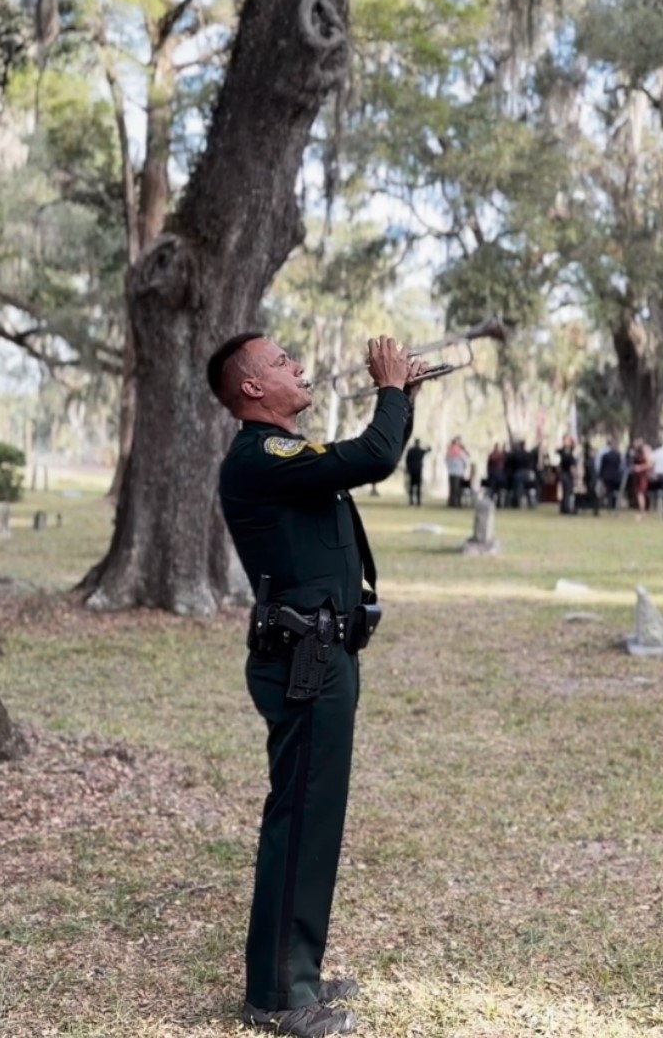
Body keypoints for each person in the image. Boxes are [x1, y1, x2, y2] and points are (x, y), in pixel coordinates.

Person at [208, 331, 424, 1037]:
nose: (296, 368)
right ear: (250, 389)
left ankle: (295, 973)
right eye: (279, 363)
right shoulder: (260, 453)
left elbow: (363, 459)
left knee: (315, 823)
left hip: (325, 654)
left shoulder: (289, 457)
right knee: (299, 823)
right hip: (304, 659)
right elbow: (374, 456)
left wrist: (404, 400)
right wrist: (391, 392)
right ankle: (276, 995)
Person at [598, 438, 624, 512]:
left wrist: (600, 476)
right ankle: (612, 505)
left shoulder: (605, 456)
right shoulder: (618, 456)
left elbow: (602, 466)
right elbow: (620, 466)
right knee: (612, 492)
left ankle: (607, 505)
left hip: (606, 476)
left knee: (608, 491)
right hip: (615, 476)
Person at [629, 441, 651, 518]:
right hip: (636, 476)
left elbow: (649, 464)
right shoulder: (635, 454)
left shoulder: (644, 453)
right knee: (638, 494)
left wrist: (640, 468)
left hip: (642, 476)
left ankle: (642, 512)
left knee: (640, 493)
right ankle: (641, 510)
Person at [556, 436, 578, 514]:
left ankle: (564, 508)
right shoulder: (566, 453)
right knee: (567, 491)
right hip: (566, 474)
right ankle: (565, 508)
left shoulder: (566, 452)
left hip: (565, 474)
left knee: (566, 492)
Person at [444, 437, 469, 507]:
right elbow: (465, 459)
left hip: (452, 472)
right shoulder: (460, 450)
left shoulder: (449, 449)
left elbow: (446, 460)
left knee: (453, 488)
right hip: (458, 471)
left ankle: (452, 502)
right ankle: (456, 502)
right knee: (457, 489)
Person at [403, 438, 427, 507]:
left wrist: (407, 468)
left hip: (411, 469)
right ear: (419, 443)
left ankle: (411, 501)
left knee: (411, 485)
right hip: (418, 469)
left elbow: (407, 460)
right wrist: (426, 445)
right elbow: (429, 449)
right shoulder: (420, 451)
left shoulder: (410, 450)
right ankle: (418, 501)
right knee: (418, 486)